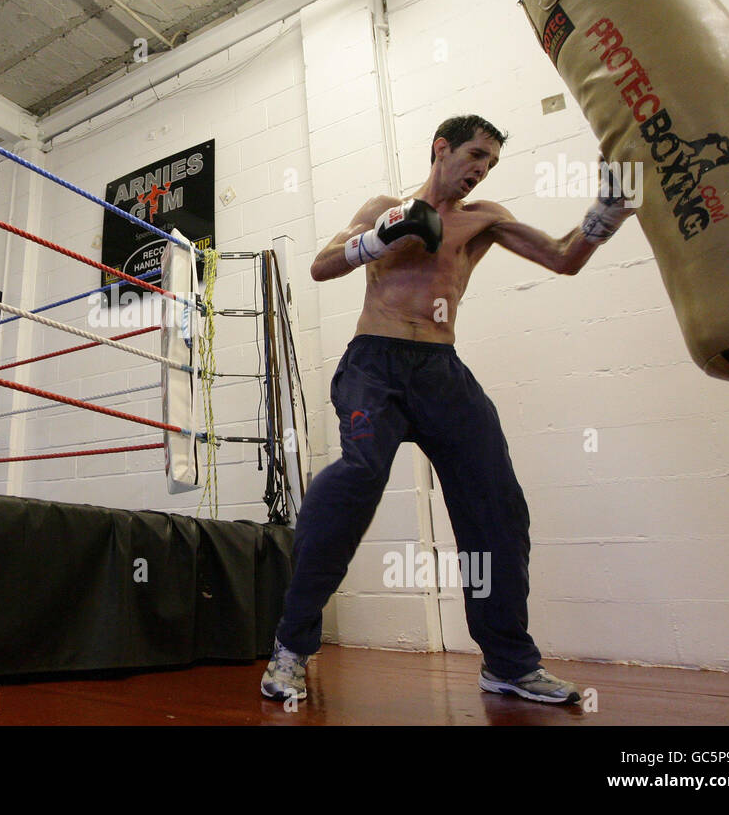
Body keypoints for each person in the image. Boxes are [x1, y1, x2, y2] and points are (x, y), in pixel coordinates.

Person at [261, 115, 634, 704]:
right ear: (442, 149)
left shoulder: (485, 219)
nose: (480, 170)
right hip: (373, 366)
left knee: (498, 503)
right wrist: (380, 238)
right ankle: (291, 646)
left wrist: (606, 212)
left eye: (490, 163)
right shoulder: (386, 205)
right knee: (357, 476)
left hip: (441, 371)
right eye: (475, 155)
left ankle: (508, 663)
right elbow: (322, 264)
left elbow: (564, 257)